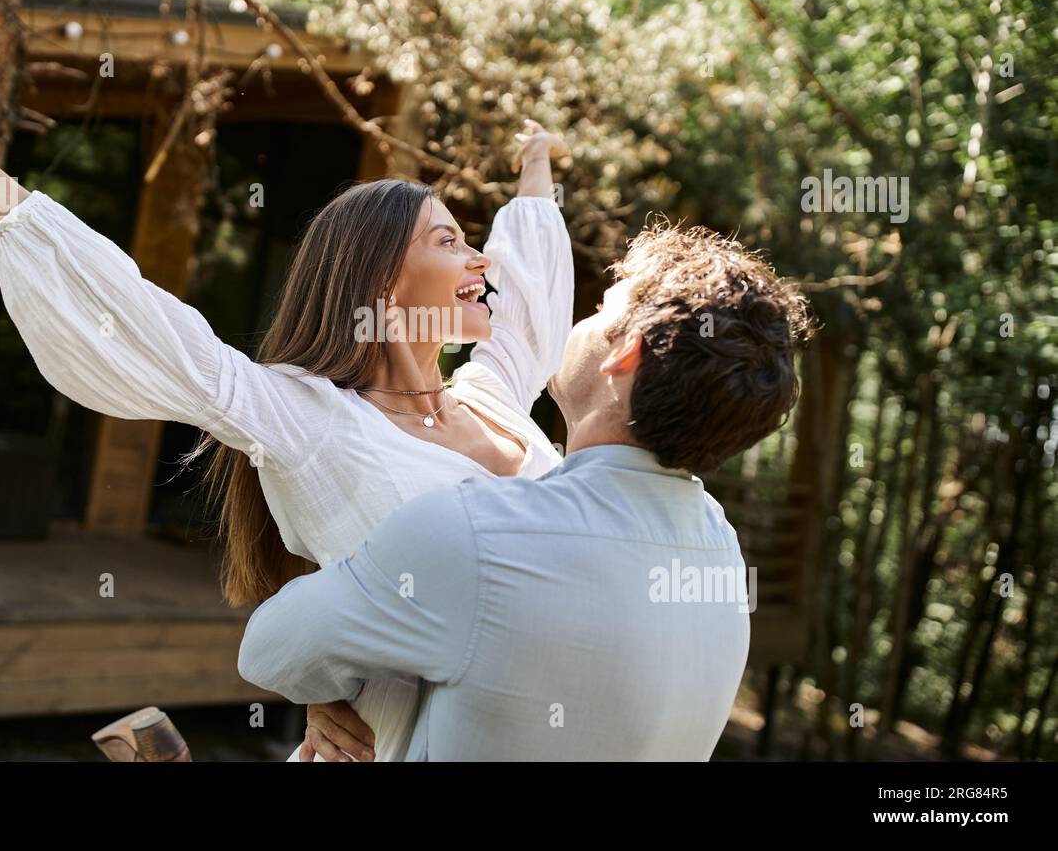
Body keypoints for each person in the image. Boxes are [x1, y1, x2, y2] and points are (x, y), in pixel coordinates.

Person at [0, 54, 575, 761]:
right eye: (449, 240)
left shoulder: (496, 398)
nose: (478, 258)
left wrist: (536, 163)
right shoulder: (314, 421)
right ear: (381, 284)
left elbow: (532, 288)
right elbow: (143, 320)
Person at [238, 223, 813, 760]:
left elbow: (270, 649)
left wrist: (335, 677)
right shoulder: (721, 557)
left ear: (625, 355)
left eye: (599, 309)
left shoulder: (476, 533)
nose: (578, 324)